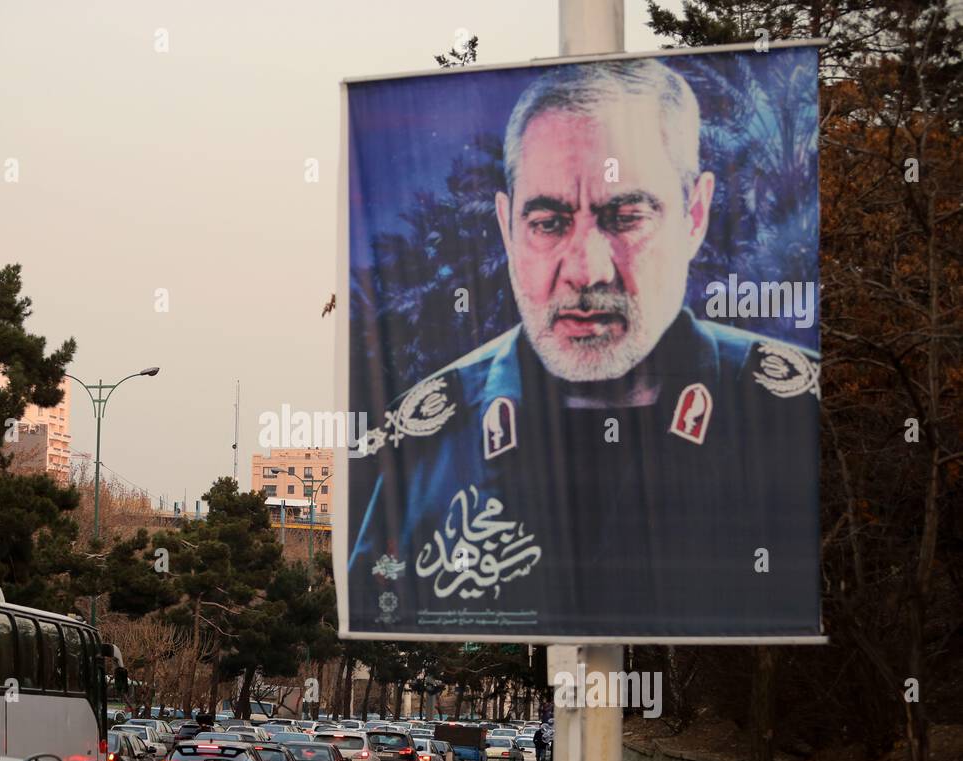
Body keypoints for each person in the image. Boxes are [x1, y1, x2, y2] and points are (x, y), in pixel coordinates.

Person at [348, 57, 819, 637]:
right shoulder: (423, 445)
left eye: (624, 216)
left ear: (695, 215)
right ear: (506, 226)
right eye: (548, 222)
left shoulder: (795, 415)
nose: (586, 270)